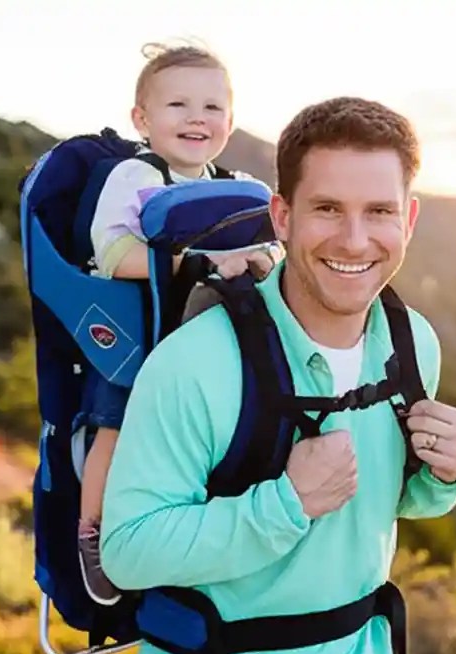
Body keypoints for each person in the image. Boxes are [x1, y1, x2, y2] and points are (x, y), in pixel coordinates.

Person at [99, 96, 456, 654]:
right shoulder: (196, 363)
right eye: (327, 209)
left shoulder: (412, 344)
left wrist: (447, 471)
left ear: (408, 220)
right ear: (282, 216)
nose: (355, 240)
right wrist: (287, 504)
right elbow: (128, 550)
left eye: (379, 211)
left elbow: (387, 501)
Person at [75, 41, 283, 607]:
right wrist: (196, 262)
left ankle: (196, 539)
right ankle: (93, 531)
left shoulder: (234, 186)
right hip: (135, 336)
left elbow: (264, 250)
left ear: (231, 120)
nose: (197, 118)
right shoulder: (133, 177)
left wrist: (265, 261)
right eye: (178, 105)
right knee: (115, 430)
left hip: (211, 345)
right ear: (142, 119)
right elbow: (115, 254)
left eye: (213, 108)